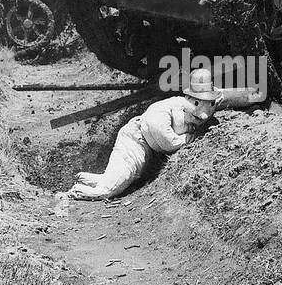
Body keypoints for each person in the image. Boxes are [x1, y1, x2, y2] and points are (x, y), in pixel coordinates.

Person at [68, 68, 220, 200]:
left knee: (127, 177)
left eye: (210, 103)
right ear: (188, 97)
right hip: (135, 140)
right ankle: (81, 191)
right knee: (110, 189)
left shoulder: (203, 106)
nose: (204, 116)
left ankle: (97, 178)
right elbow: (168, 143)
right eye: (197, 103)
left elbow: (226, 98)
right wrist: (189, 138)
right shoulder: (166, 108)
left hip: (147, 148)